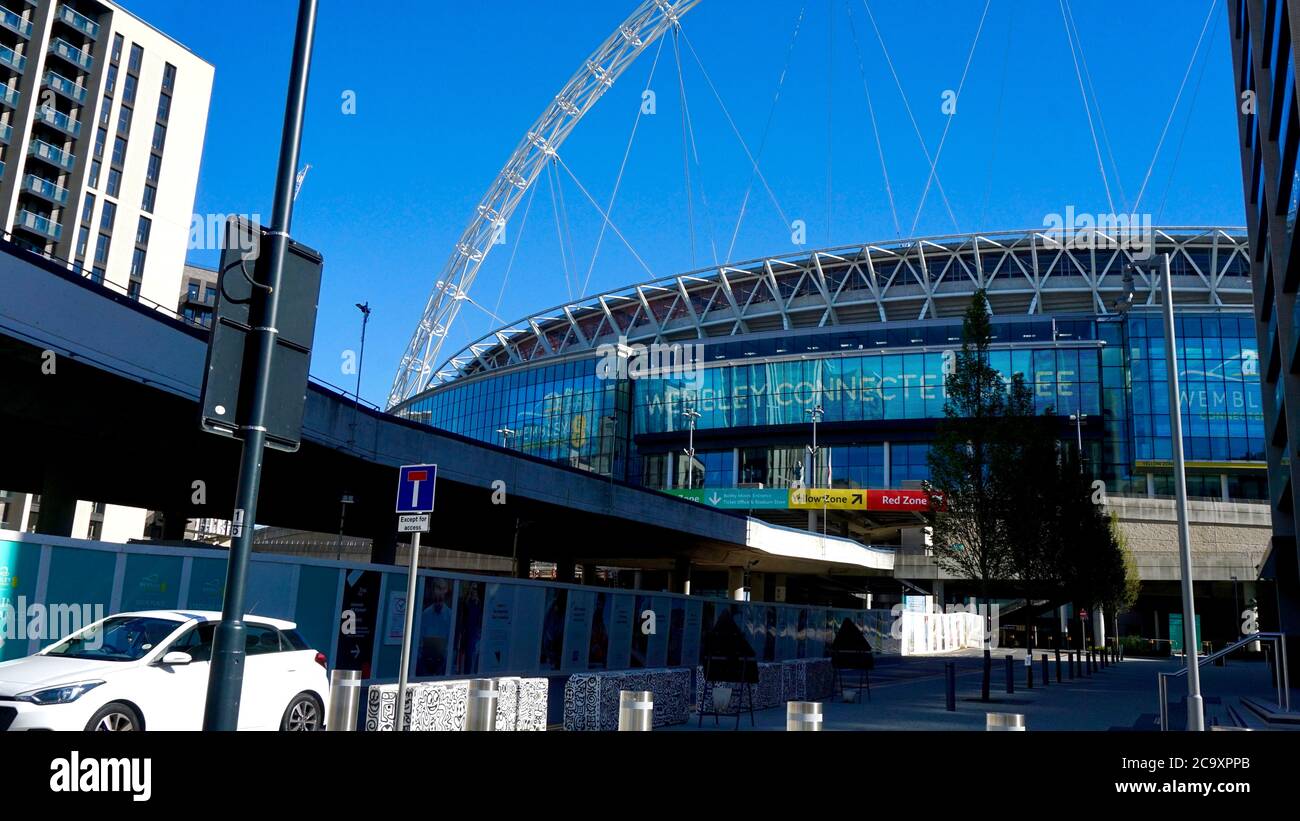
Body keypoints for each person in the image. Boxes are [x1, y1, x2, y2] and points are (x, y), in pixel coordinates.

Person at [417, 578, 452, 676]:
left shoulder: (450, 615)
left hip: (443, 662)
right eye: (438, 588)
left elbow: (452, 641)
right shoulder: (425, 614)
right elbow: (419, 639)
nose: (441, 592)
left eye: (443, 588)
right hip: (426, 661)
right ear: (433, 590)